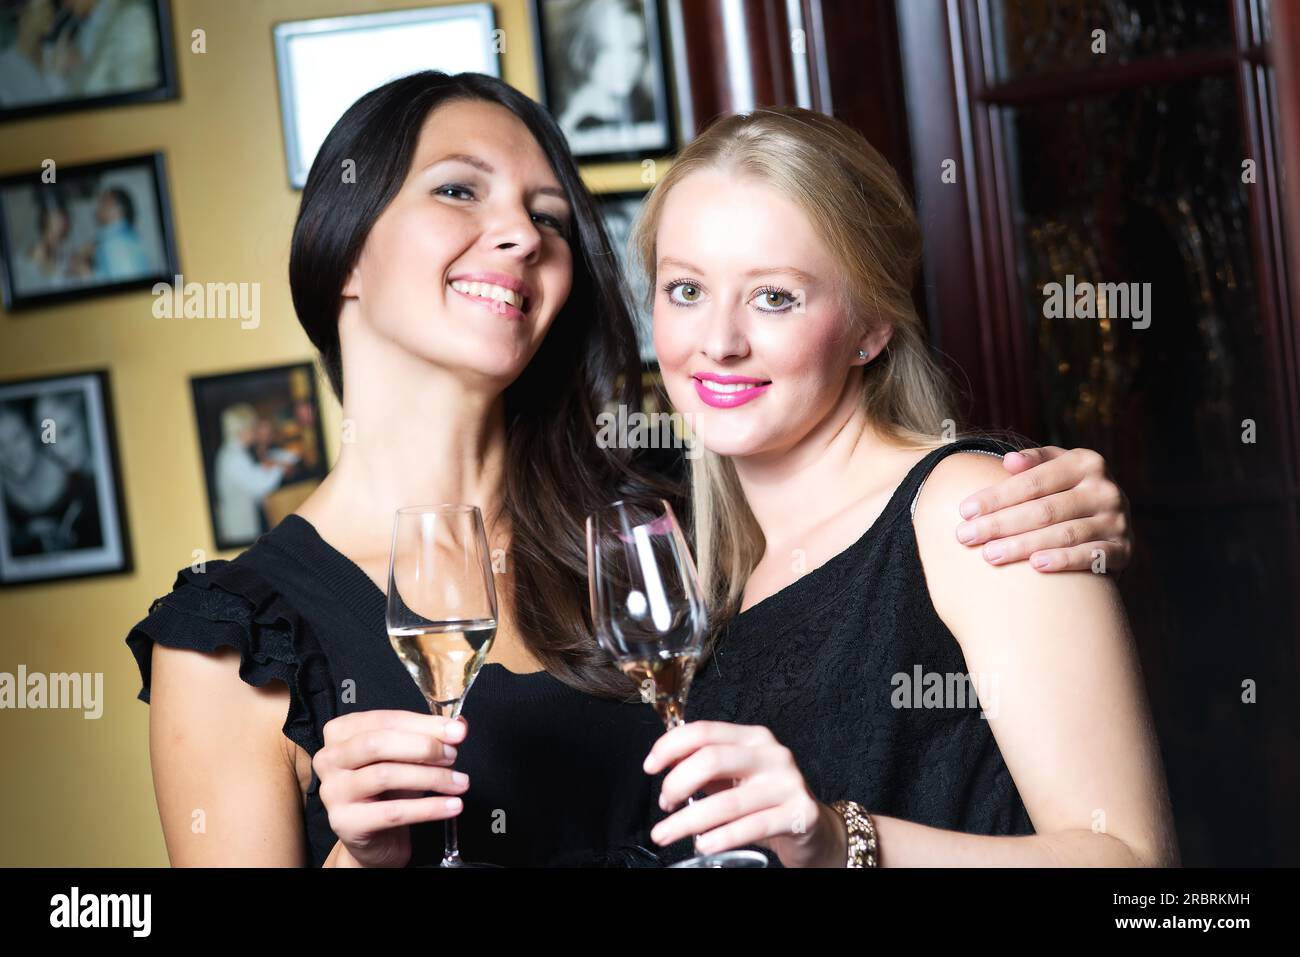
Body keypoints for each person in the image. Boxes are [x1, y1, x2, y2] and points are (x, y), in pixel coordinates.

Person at [125, 72, 1132, 868]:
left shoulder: (656, 530)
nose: (520, 232)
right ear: (342, 250)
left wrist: (1051, 497)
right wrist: (360, 854)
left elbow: (868, 537)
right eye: (457, 190)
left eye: (551, 218)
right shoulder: (232, 637)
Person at [630, 107, 1178, 867]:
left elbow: (1138, 870)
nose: (718, 342)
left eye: (774, 297)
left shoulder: (973, 510)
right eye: (686, 289)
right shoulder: (713, 573)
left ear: (871, 326)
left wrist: (843, 841)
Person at [212, 404, 290, 544]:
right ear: (242, 430)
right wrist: (279, 468)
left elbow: (252, 476)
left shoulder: (235, 452)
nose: (255, 432)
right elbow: (259, 486)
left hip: (242, 519)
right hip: (239, 525)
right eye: (252, 427)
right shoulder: (233, 456)